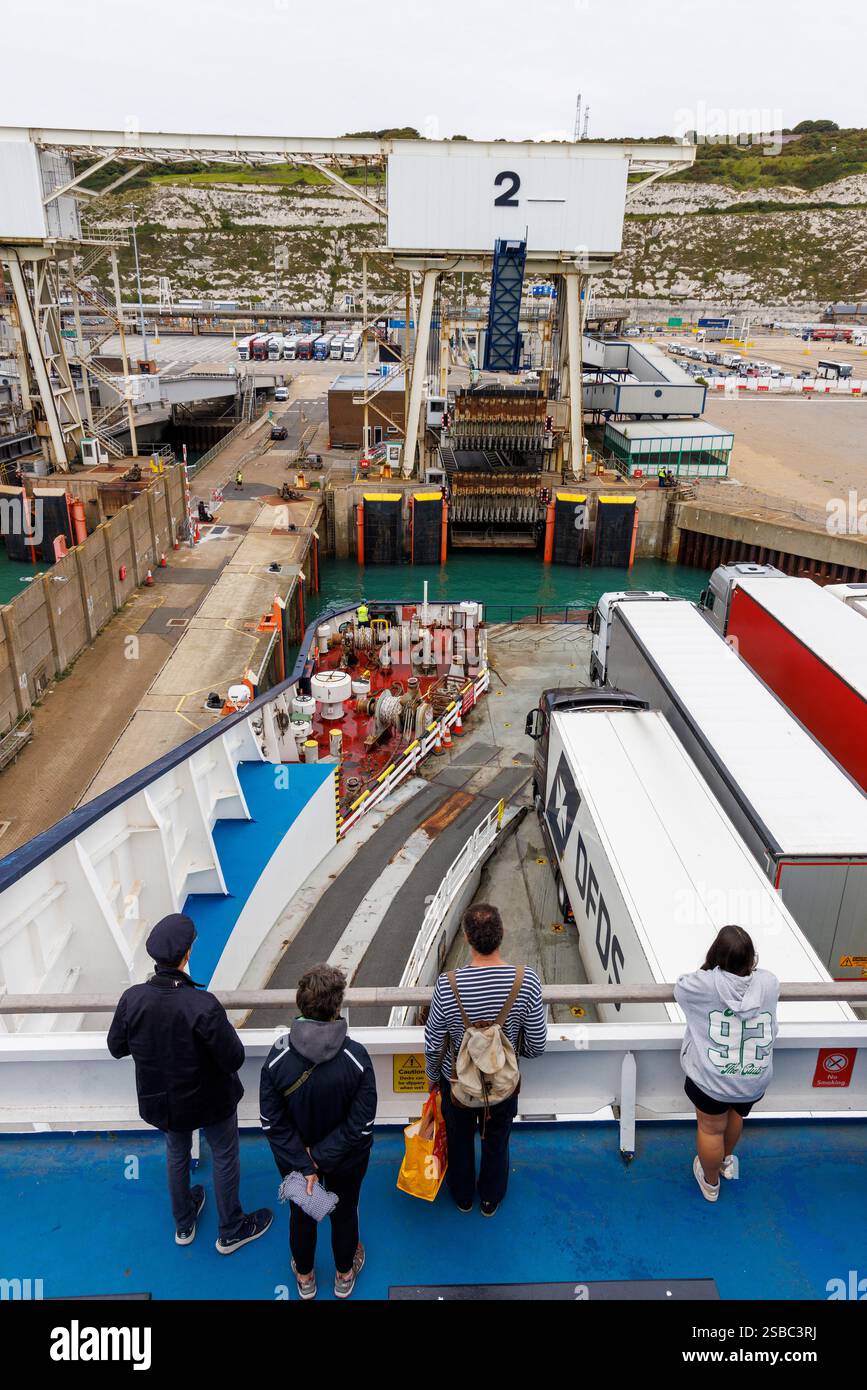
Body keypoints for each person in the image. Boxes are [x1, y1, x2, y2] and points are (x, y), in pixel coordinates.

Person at [107, 913, 273, 1253]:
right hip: (209, 1100)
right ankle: (231, 1228)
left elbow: (116, 1047)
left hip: (163, 1101)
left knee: (176, 1152)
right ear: (186, 955)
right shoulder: (202, 1005)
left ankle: (184, 1224)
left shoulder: (132, 999)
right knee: (225, 1155)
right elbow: (233, 1058)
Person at [259, 964, 377, 1300]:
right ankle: (343, 1276)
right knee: (343, 1212)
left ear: (301, 1006)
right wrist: (322, 1157)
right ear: (337, 1007)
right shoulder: (356, 1059)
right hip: (346, 1158)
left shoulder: (278, 1059)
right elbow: (362, 1124)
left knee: (302, 1215)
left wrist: (305, 1163)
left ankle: (306, 1279)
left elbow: (272, 1122)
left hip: (297, 1161)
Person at [424, 903, 547, 1216]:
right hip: (503, 1085)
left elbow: (435, 1040)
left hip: (458, 1086)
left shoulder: (447, 985)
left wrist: (431, 1076)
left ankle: (463, 1197)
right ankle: (490, 1199)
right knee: (497, 1141)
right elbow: (536, 1045)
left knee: (459, 1140)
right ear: (502, 934)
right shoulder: (527, 981)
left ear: (467, 938)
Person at [674, 924, 780, 1203]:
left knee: (711, 1128)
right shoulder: (769, 984)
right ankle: (723, 1163)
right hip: (752, 1079)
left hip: (712, 1081)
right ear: (752, 959)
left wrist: (710, 967)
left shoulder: (704, 985)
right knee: (736, 1117)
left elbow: (681, 987)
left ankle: (710, 1184)